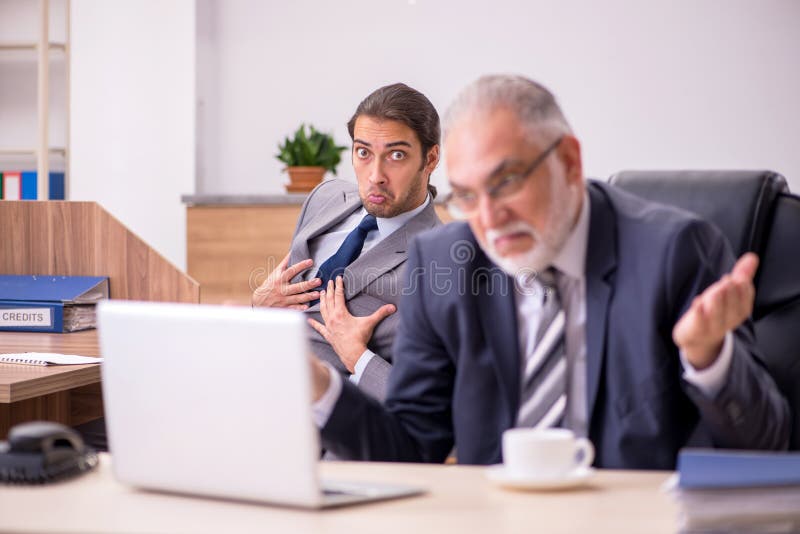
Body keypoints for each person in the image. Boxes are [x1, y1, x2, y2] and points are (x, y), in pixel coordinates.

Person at [309, 74, 790, 469]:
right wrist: (318, 385)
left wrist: (709, 358)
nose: (490, 219)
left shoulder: (676, 252)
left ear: (569, 161)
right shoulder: (444, 262)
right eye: (469, 196)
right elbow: (411, 447)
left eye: (507, 183)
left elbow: (766, 443)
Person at [253, 83, 442, 401]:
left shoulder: (440, 258)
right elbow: (286, 310)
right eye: (364, 153)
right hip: (253, 379)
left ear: (431, 158)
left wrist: (358, 356)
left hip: (325, 421)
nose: (375, 175)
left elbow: (428, 406)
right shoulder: (324, 198)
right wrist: (259, 308)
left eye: (396, 155)